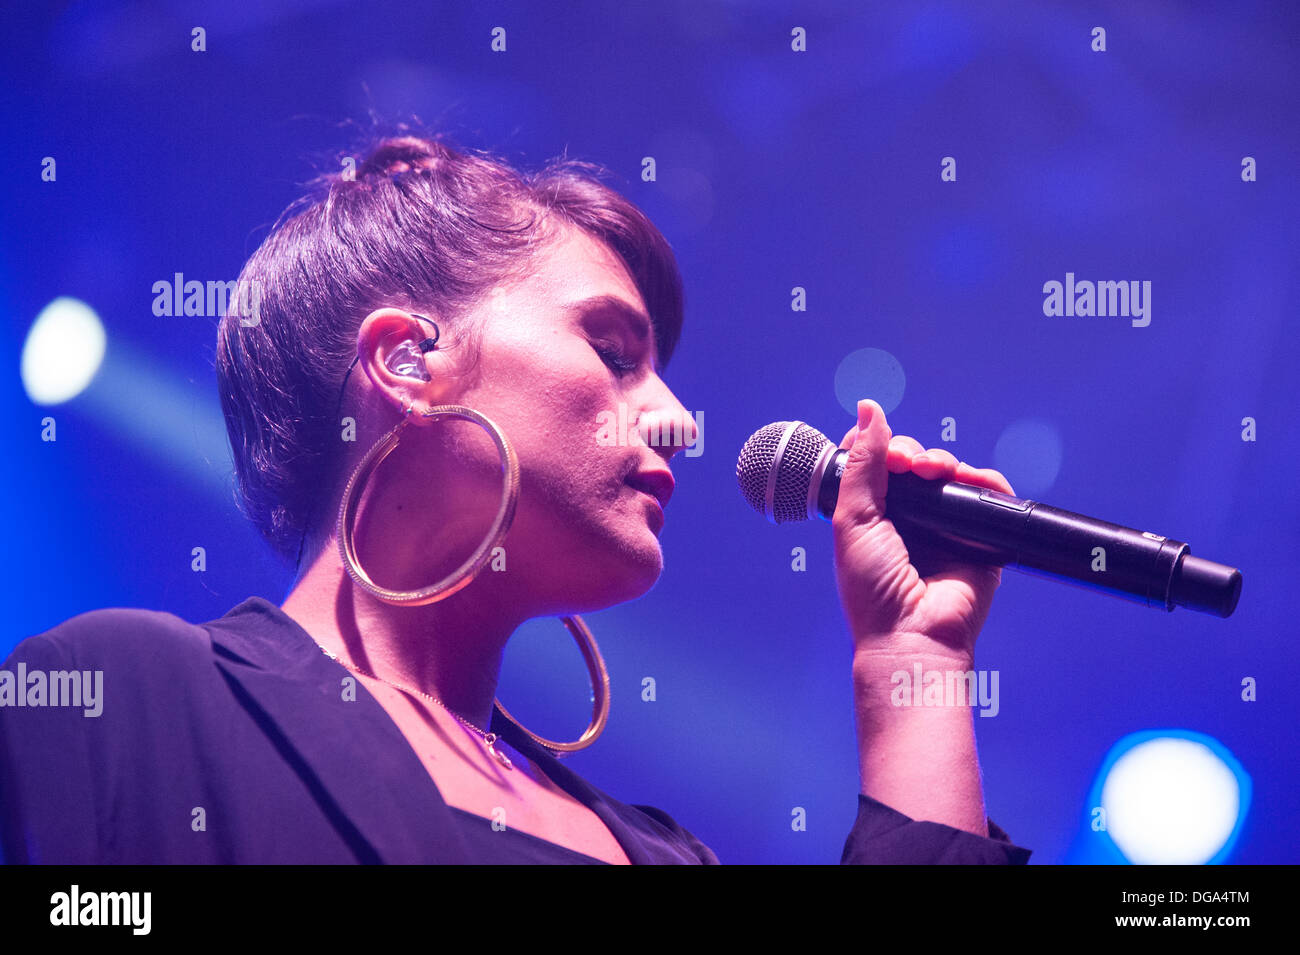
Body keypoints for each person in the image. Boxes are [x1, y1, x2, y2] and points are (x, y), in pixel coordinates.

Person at [0, 133, 1030, 864]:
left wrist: (914, 667)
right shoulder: (128, 702)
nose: (677, 417)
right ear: (409, 362)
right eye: (612, 349)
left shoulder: (660, 851)